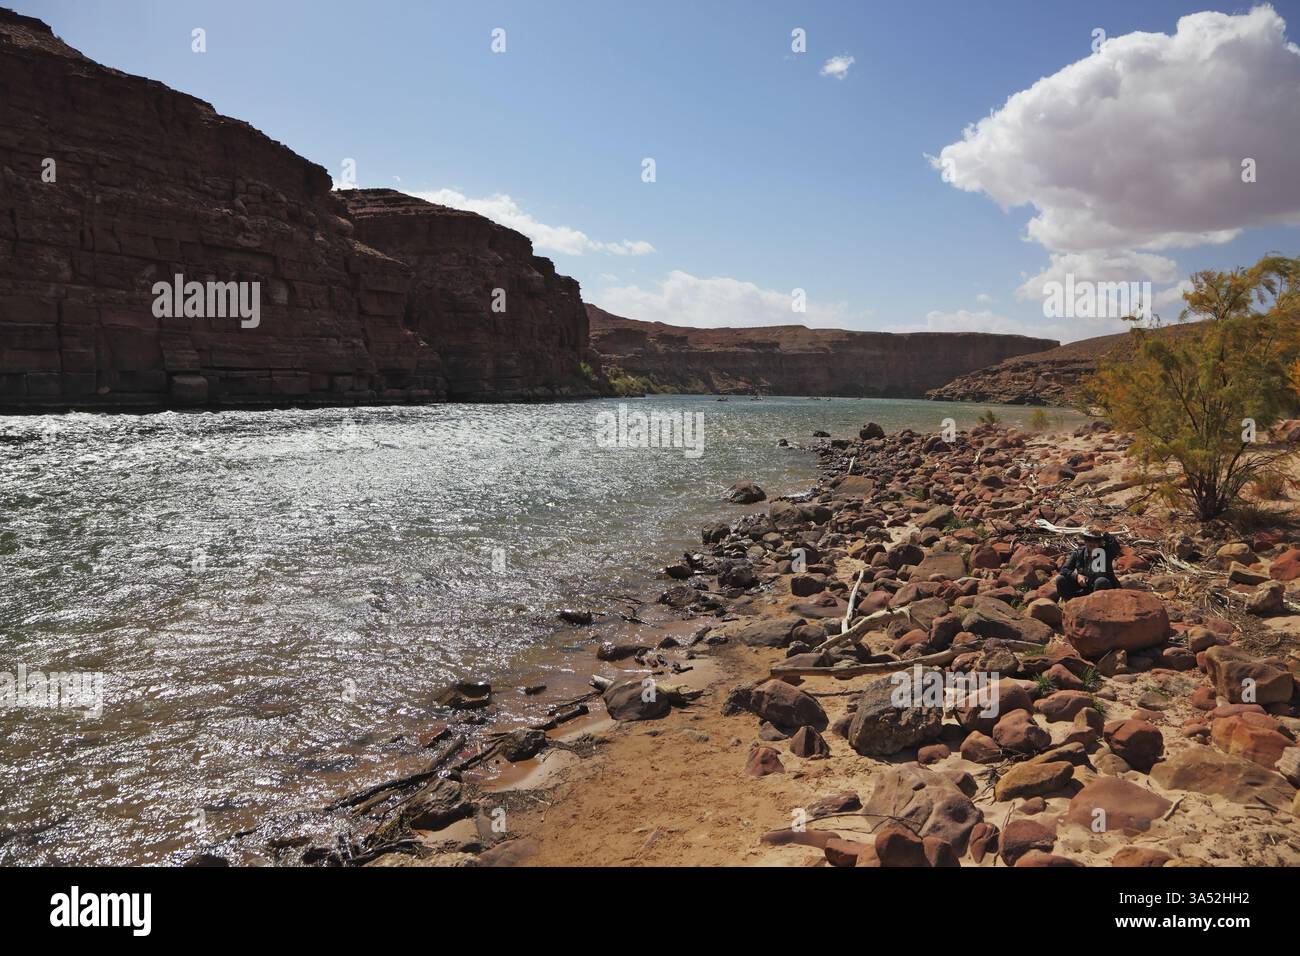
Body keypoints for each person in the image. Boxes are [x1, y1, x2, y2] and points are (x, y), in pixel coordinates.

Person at [1055, 526, 1121, 600]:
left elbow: (1116, 548)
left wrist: (1104, 534)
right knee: (1060, 579)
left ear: (1100, 542)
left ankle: (1099, 607)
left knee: (1101, 581)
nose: (1092, 543)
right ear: (1085, 541)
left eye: (1096, 540)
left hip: (1102, 589)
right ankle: (1070, 605)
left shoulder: (1106, 552)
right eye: (1089, 539)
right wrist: (1077, 576)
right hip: (1084, 587)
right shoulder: (1078, 553)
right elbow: (1064, 570)